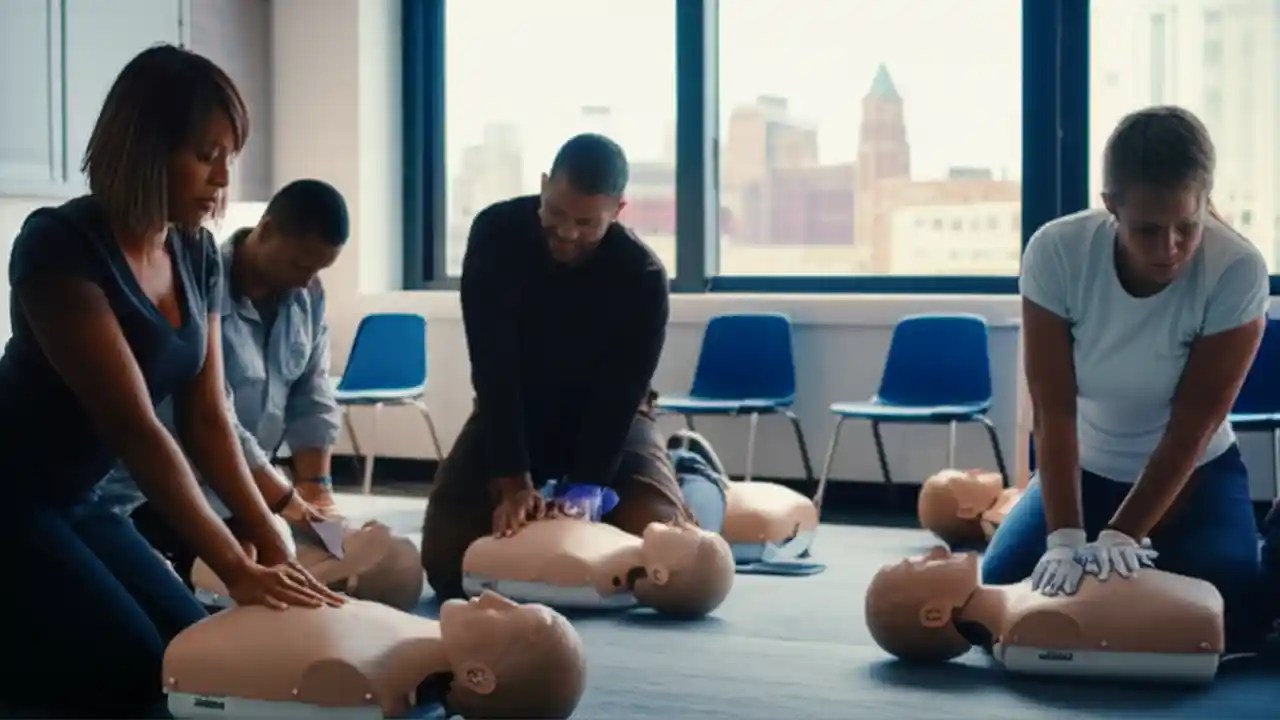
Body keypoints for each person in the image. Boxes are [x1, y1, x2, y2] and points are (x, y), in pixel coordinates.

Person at [0, 45, 343, 718]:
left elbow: (208, 417)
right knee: (132, 669)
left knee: (194, 648)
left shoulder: (192, 252)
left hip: (81, 498)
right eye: (205, 154)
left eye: (230, 155)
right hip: (12, 498)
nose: (222, 177)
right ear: (147, 149)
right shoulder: (58, 247)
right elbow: (137, 428)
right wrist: (236, 567)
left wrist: (272, 539)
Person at [982, 106, 1269, 652]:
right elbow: (1054, 408)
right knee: (1002, 589)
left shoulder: (1237, 269)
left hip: (1196, 473)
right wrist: (1066, 537)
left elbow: (1194, 425)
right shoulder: (1057, 251)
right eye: (1147, 229)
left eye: (1187, 226)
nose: (1170, 249)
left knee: (1234, 615)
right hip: (1087, 466)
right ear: (1110, 205)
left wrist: (1123, 532)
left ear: (1206, 201)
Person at [420, 133, 694, 599]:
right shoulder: (495, 233)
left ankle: (692, 473)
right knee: (446, 564)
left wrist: (587, 486)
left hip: (609, 418)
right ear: (544, 184)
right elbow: (492, 364)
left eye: (587, 222)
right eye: (556, 213)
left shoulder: (641, 275)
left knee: (673, 565)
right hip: (513, 408)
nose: (567, 233)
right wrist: (513, 483)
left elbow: (620, 394)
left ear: (618, 211)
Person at [99, 178, 349, 583]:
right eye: (301, 266)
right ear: (265, 231)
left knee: (363, 563)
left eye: (320, 269)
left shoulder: (309, 295)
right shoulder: (193, 284)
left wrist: (317, 488)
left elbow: (312, 393)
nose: (308, 281)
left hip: (249, 490)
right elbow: (211, 422)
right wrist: (287, 503)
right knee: (226, 579)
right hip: (167, 491)